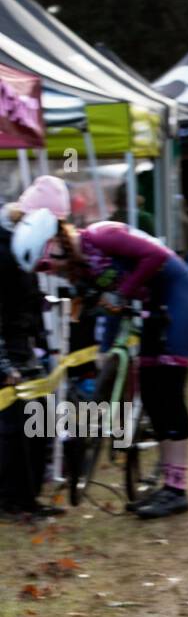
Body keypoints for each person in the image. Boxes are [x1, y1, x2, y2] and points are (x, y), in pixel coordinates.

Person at [46, 218, 188, 519]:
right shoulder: (86, 267)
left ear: (55, 244)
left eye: (49, 264)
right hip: (150, 306)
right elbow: (112, 303)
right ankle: (168, 486)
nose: (53, 272)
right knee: (153, 394)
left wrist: (125, 291)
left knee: (169, 393)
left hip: (176, 295)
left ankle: (177, 489)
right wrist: (105, 348)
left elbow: (154, 256)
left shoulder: (101, 236)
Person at [0, 189, 62, 519]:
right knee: (15, 427)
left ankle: (30, 497)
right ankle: (12, 502)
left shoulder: (22, 245)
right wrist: (4, 365)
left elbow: (29, 297)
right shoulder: (4, 251)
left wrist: (42, 337)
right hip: (8, 349)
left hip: (23, 344)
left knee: (39, 420)